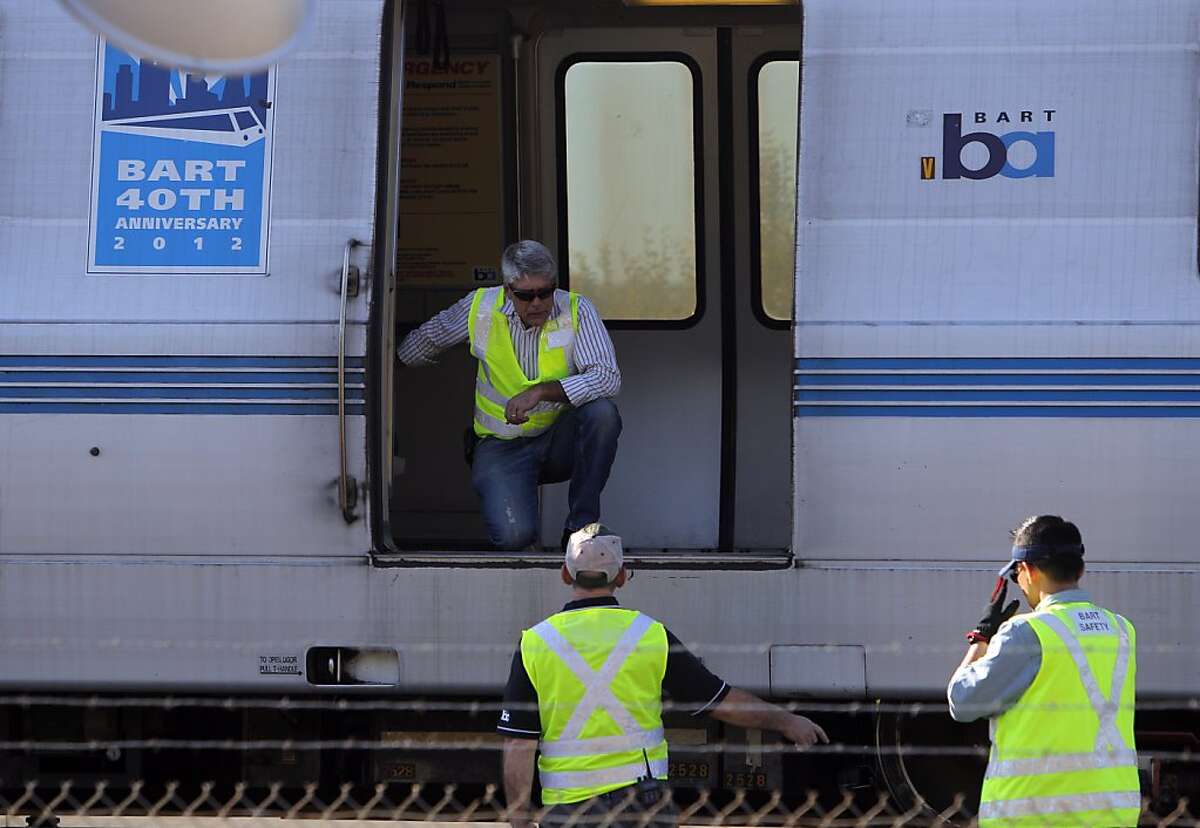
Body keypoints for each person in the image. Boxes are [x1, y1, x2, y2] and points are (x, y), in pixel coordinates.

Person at [498, 524, 828, 828]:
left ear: (566, 575)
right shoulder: (649, 635)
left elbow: (519, 743)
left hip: (569, 811)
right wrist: (787, 721)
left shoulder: (537, 643)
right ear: (623, 576)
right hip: (643, 805)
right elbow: (720, 700)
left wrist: (519, 820)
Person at [396, 240, 622, 550]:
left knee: (603, 414)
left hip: (559, 442)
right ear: (507, 289)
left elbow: (608, 378)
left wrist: (541, 391)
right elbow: (425, 341)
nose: (537, 303)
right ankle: (510, 493)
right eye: (526, 295)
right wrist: (388, 364)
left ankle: (579, 529)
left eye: (545, 292)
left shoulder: (576, 309)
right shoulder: (480, 308)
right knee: (513, 537)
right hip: (501, 444)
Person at [947, 515, 1140, 827]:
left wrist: (981, 638)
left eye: (1016, 576)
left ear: (1027, 570)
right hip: (1112, 813)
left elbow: (962, 702)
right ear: (1081, 569)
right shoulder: (1121, 630)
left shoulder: (1027, 632)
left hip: (1034, 814)